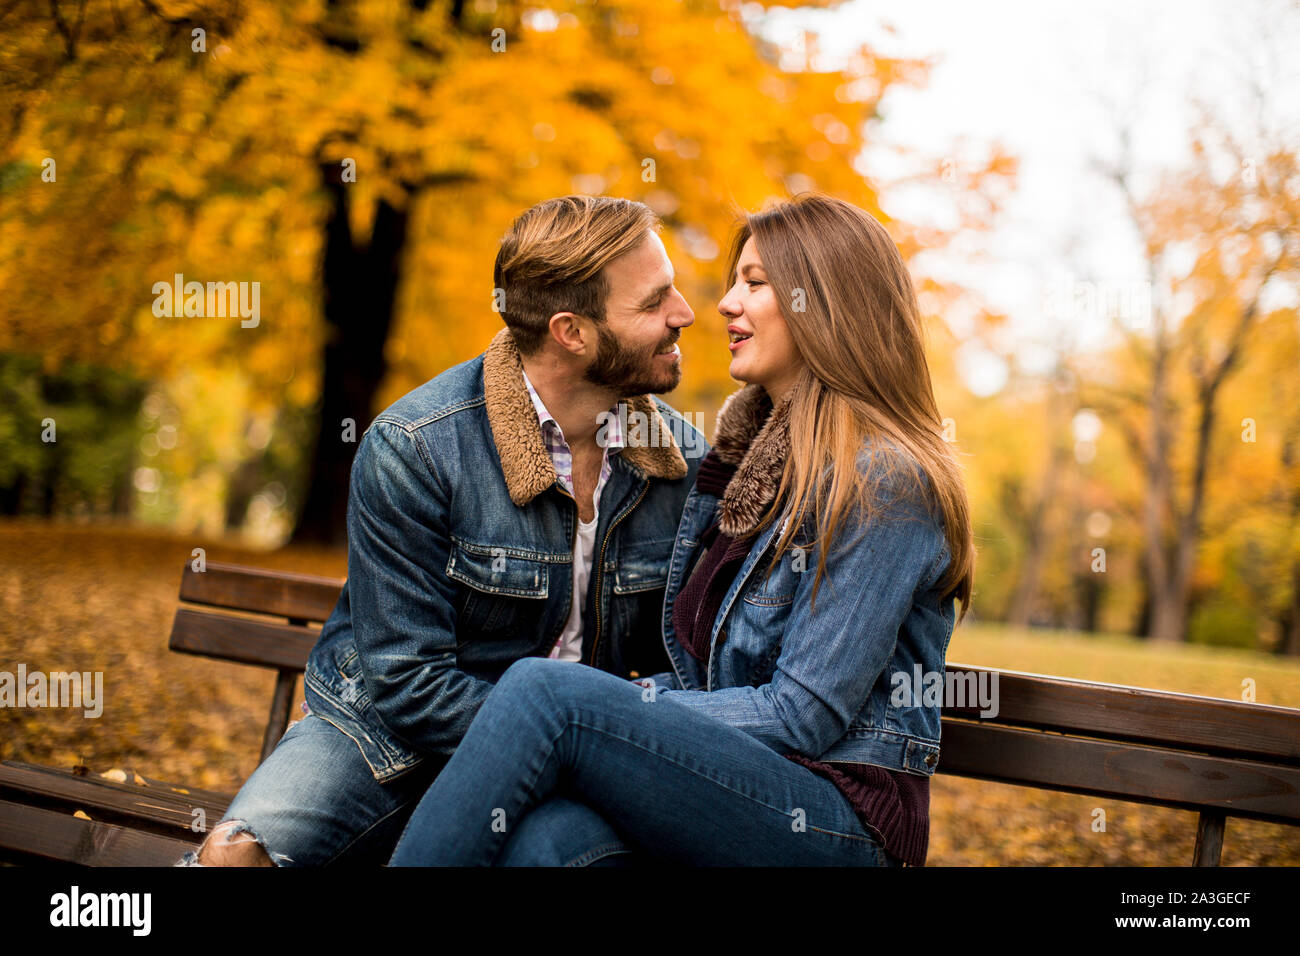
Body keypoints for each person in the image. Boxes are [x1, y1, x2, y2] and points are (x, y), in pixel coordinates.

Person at [389, 193, 977, 867]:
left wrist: (609, 711)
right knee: (544, 841)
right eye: (736, 280)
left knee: (544, 692)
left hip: (839, 820)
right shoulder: (745, 468)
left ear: (830, 305)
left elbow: (801, 717)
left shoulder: (880, 478)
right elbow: (702, 683)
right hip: (737, 791)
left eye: (755, 283)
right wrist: (624, 711)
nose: (724, 303)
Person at [181, 195, 707, 866]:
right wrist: (557, 745)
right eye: (653, 301)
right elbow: (406, 683)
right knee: (234, 859)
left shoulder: (682, 467)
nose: (684, 314)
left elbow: (690, 670)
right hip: (391, 737)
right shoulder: (418, 446)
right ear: (570, 332)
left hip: (584, 760)